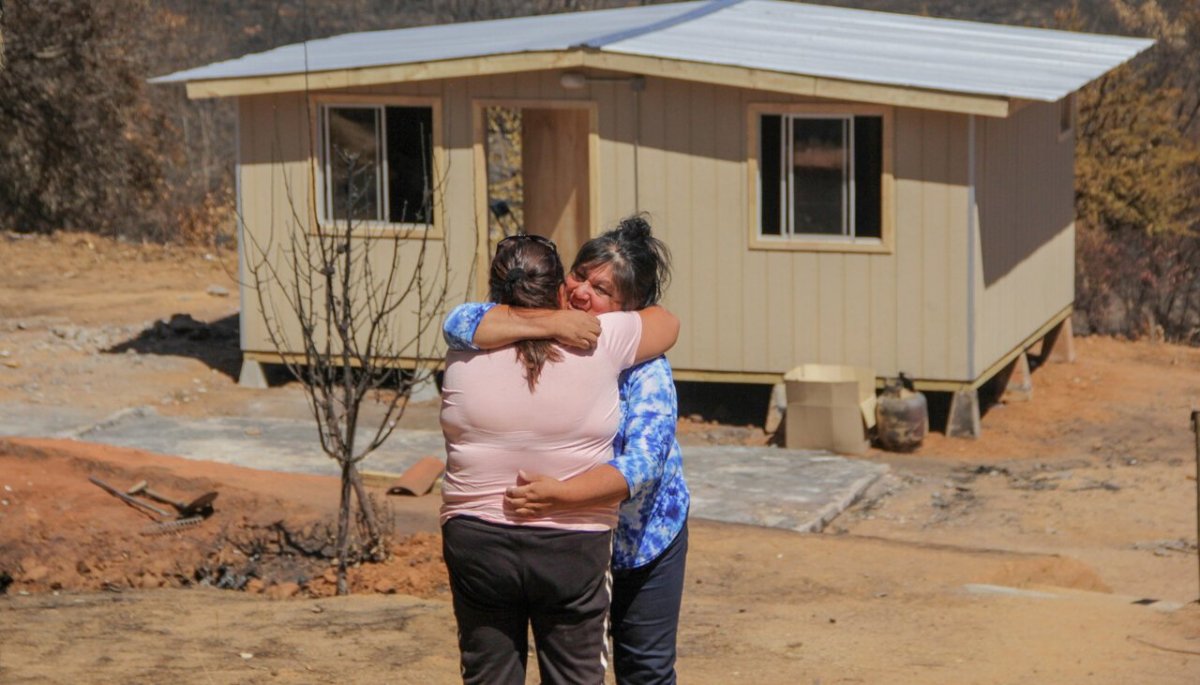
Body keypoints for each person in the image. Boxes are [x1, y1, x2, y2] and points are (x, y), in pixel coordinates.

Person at [443, 215, 690, 685]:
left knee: (644, 671)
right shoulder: (524, 331)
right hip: (573, 540)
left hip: (640, 539)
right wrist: (554, 321)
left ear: (628, 309)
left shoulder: (643, 365)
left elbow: (643, 464)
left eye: (601, 289)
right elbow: (458, 322)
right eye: (578, 275)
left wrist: (561, 495)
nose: (580, 292)